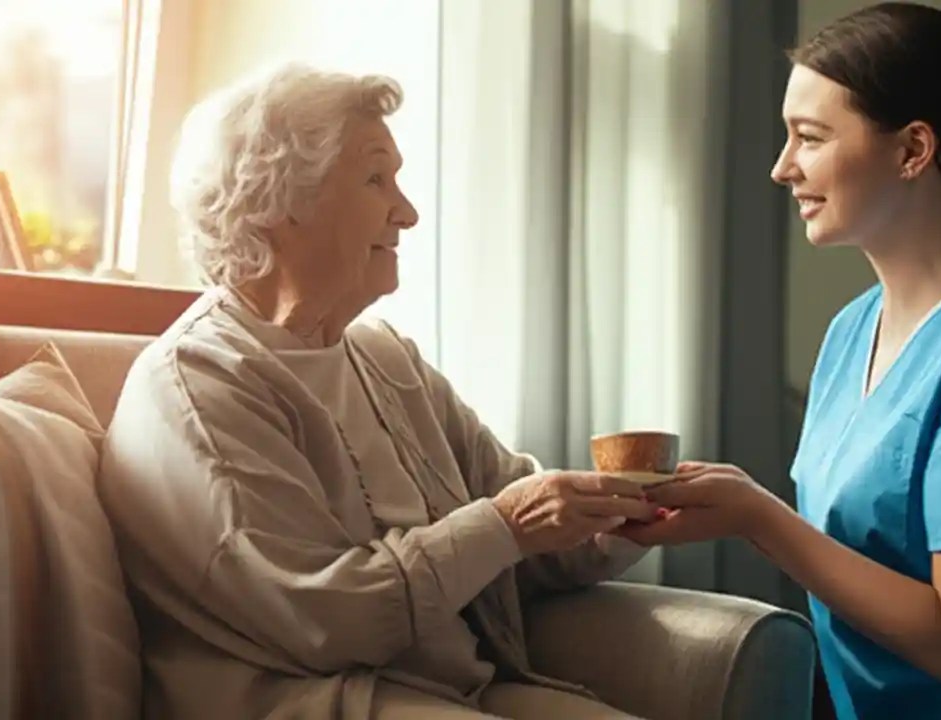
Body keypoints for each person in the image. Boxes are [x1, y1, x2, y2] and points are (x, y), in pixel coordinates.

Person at [618, 4, 941, 719]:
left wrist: (758, 517)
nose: (781, 167)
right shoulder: (850, 332)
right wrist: (736, 504)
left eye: (811, 137)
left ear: (913, 150)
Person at [98, 63, 656, 719]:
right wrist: (508, 523)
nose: (409, 212)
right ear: (279, 200)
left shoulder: (387, 358)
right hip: (312, 701)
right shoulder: (199, 384)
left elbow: (515, 543)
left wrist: (623, 518)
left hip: (446, 693)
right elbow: (325, 622)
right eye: (375, 178)